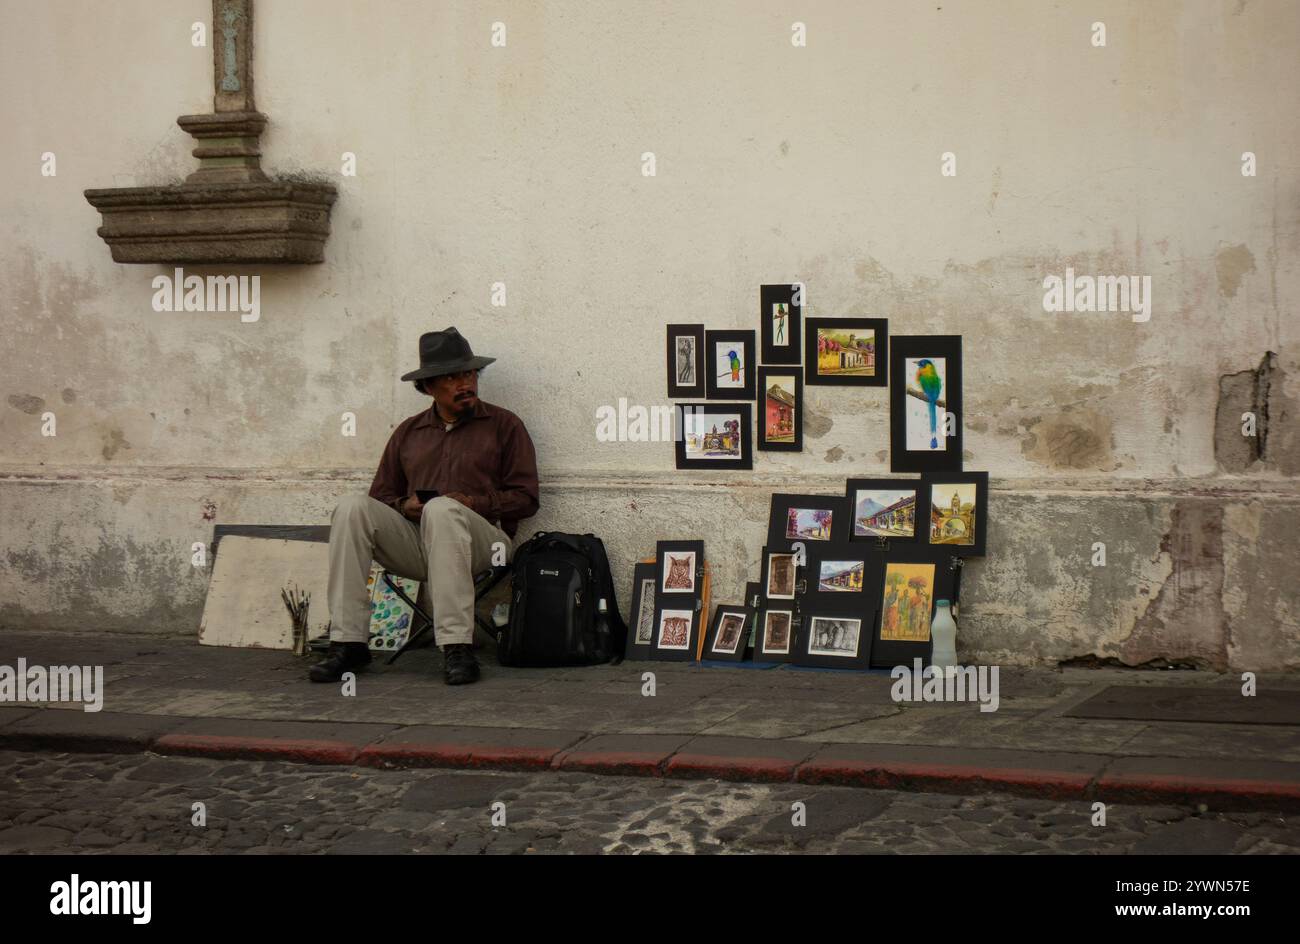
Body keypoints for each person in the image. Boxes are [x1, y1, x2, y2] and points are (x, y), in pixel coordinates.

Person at [309, 327, 539, 686]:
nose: (464, 383)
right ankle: (348, 641)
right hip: (418, 544)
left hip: (486, 543)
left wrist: (472, 503)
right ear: (428, 386)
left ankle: (456, 646)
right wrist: (405, 505)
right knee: (352, 508)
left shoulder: (503, 425)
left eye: (468, 374)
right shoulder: (409, 432)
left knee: (444, 509)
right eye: (451, 377)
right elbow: (381, 497)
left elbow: (526, 499)